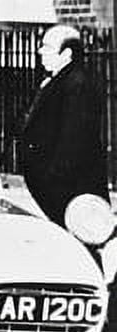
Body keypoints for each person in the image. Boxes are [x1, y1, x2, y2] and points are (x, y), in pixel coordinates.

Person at [20, 24, 109, 227]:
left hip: (71, 193)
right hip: (60, 191)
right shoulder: (60, 80)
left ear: (66, 54)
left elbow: (73, 141)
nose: (40, 51)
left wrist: (51, 179)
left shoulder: (78, 85)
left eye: (47, 47)